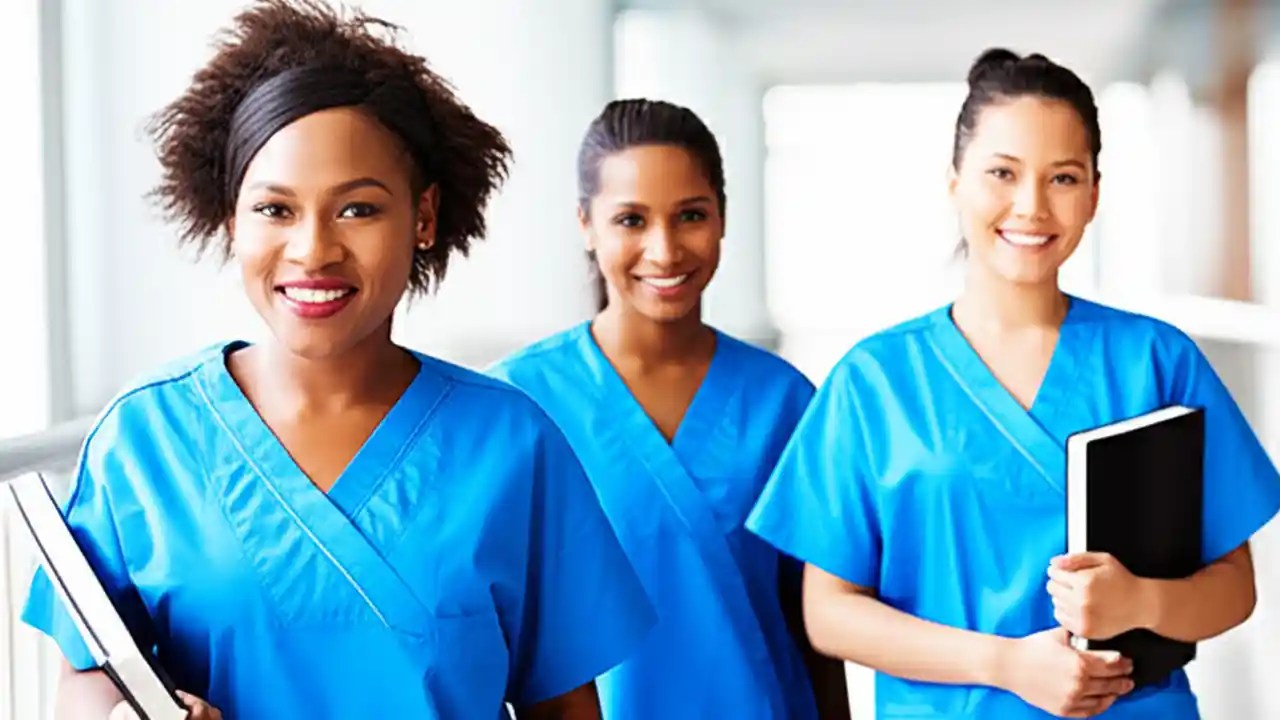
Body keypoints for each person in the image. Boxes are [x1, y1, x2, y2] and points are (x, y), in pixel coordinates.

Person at [22, 2, 653, 718]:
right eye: (275, 210)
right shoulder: (145, 441)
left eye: (357, 209)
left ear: (423, 216)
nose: (314, 249)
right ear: (231, 220)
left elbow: (565, 705)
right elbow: (88, 678)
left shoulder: (512, 444)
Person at [746, 48, 1280, 719]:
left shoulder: (1155, 361)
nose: (1031, 207)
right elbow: (829, 614)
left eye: (1062, 177)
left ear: (1094, 193)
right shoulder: (875, 381)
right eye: (1002, 172)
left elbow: (1235, 588)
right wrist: (1005, 664)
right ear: (954, 182)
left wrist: (1141, 601)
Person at [489, 98, 850, 720]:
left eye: (690, 216)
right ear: (586, 224)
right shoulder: (518, 405)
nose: (664, 250)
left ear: (723, 218)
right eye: (631, 220)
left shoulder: (784, 401)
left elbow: (816, 629)